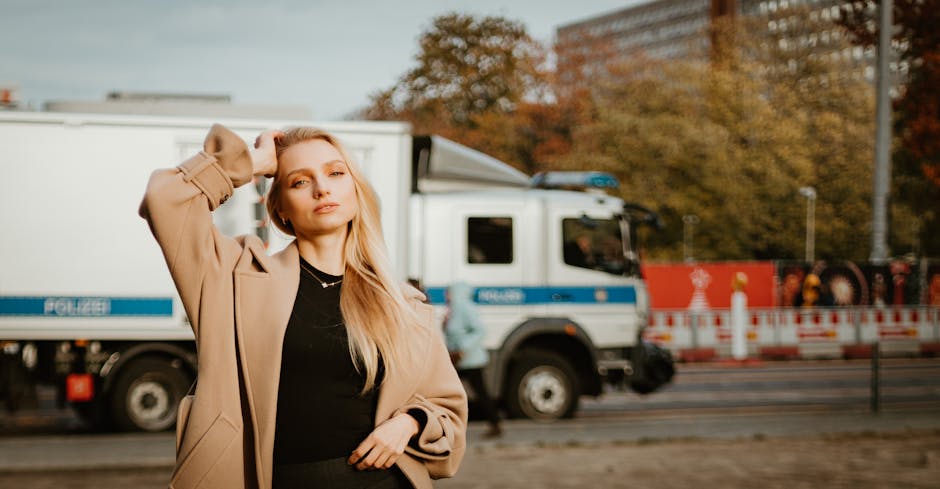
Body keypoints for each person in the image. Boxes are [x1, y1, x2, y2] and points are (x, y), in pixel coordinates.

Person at [140, 124, 467, 489]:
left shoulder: (404, 304)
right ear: (279, 206)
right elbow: (165, 198)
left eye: (335, 173)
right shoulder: (235, 278)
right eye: (299, 181)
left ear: (355, 189)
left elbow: (448, 413)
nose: (322, 188)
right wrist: (255, 161)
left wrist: (410, 423)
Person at [443, 282, 502, 438]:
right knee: (449, 391)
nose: (446, 295)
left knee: (479, 392)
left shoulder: (465, 308)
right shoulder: (454, 309)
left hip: (470, 360)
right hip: (458, 359)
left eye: (449, 292)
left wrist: (463, 348)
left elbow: (480, 330)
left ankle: (495, 423)